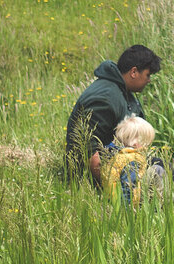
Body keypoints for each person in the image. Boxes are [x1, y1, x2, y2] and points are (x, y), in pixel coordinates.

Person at [65, 45, 161, 187]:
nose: (149, 80)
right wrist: (113, 190)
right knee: (157, 173)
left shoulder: (123, 91)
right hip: (96, 177)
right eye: (148, 75)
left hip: (120, 164)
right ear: (134, 72)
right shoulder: (105, 98)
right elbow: (88, 149)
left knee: (159, 165)